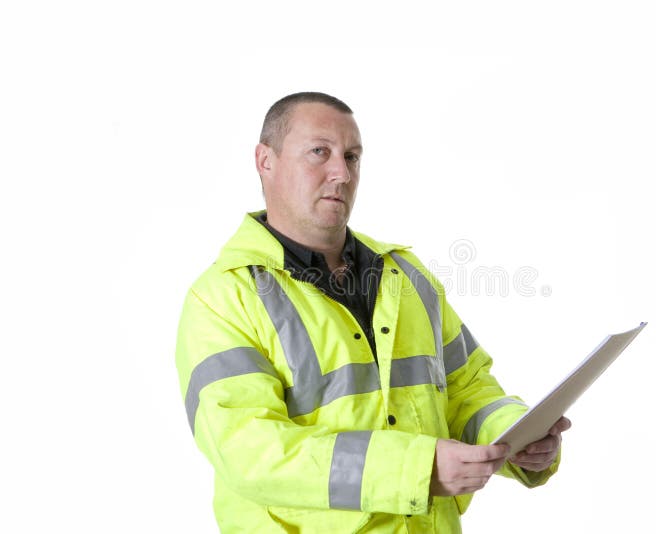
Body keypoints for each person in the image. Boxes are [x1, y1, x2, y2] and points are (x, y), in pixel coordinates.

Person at [175, 91, 571, 533]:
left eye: (352, 156)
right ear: (265, 160)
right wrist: (416, 469)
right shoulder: (222, 298)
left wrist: (514, 434)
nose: (341, 173)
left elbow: (467, 387)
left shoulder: (406, 276)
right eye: (319, 152)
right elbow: (250, 452)